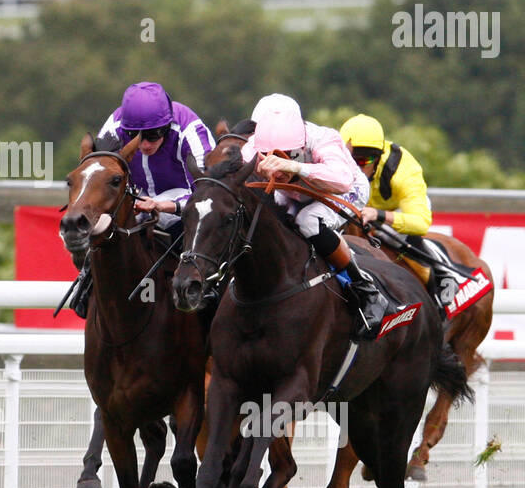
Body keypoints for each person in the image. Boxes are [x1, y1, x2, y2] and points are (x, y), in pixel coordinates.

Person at [244, 94, 393, 335]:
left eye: (287, 153)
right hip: (296, 191)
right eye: (267, 153)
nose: (275, 160)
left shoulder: (324, 139)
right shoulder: (251, 146)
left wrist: (292, 167)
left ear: (300, 141)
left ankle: (366, 289)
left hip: (344, 189)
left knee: (308, 221)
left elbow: (342, 181)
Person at [68, 81, 215, 318]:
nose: (145, 144)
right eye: (136, 136)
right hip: (136, 197)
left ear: (167, 126)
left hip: (183, 200)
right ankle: (88, 277)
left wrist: (166, 206)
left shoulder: (190, 130)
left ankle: (209, 294)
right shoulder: (114, 126)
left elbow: (209, 197)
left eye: (154, 135)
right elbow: (98, 175)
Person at [338, 113, 432, 236]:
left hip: (393, 212)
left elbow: (421, 224)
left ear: (378, 158)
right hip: (356, 212)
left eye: (363, 161)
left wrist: (378, 214)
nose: (356, 168)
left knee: (388, 236)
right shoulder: (331, 159)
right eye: (350, 160)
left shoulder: (402, 170)